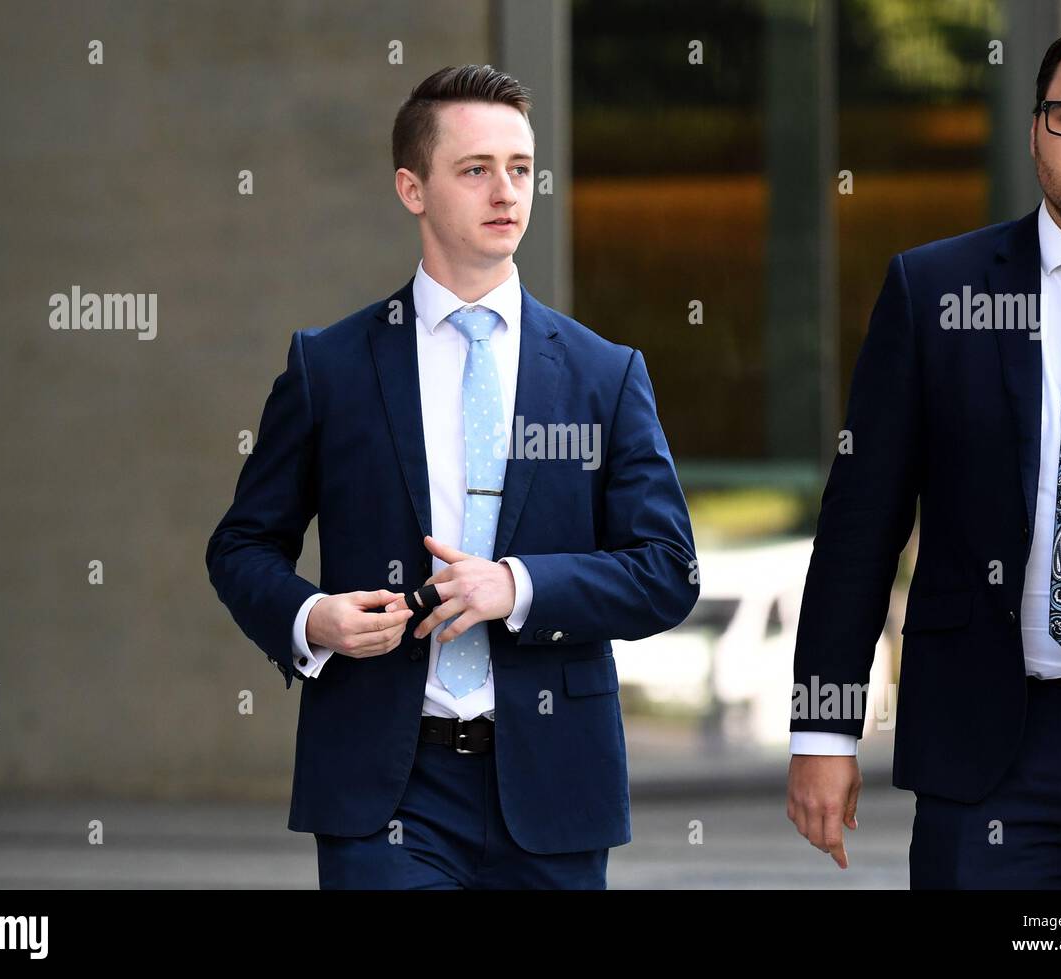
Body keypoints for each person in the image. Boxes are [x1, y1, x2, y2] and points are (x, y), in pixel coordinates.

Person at [205, 64, 699, 889]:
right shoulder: (330, 366)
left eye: (519, 168)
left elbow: (666, 571)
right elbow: (241, 545)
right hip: (384, 790)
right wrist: (310, 617)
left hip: (552, 786)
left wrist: (518, 586)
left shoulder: (602, 373)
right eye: (476, 170)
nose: (506, 190)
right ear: (413, 188)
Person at [787, 23, 1061, 888]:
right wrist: (824, 729)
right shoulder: (934, 291)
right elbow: (861, 521)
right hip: (993, 745)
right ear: (1036, 128)